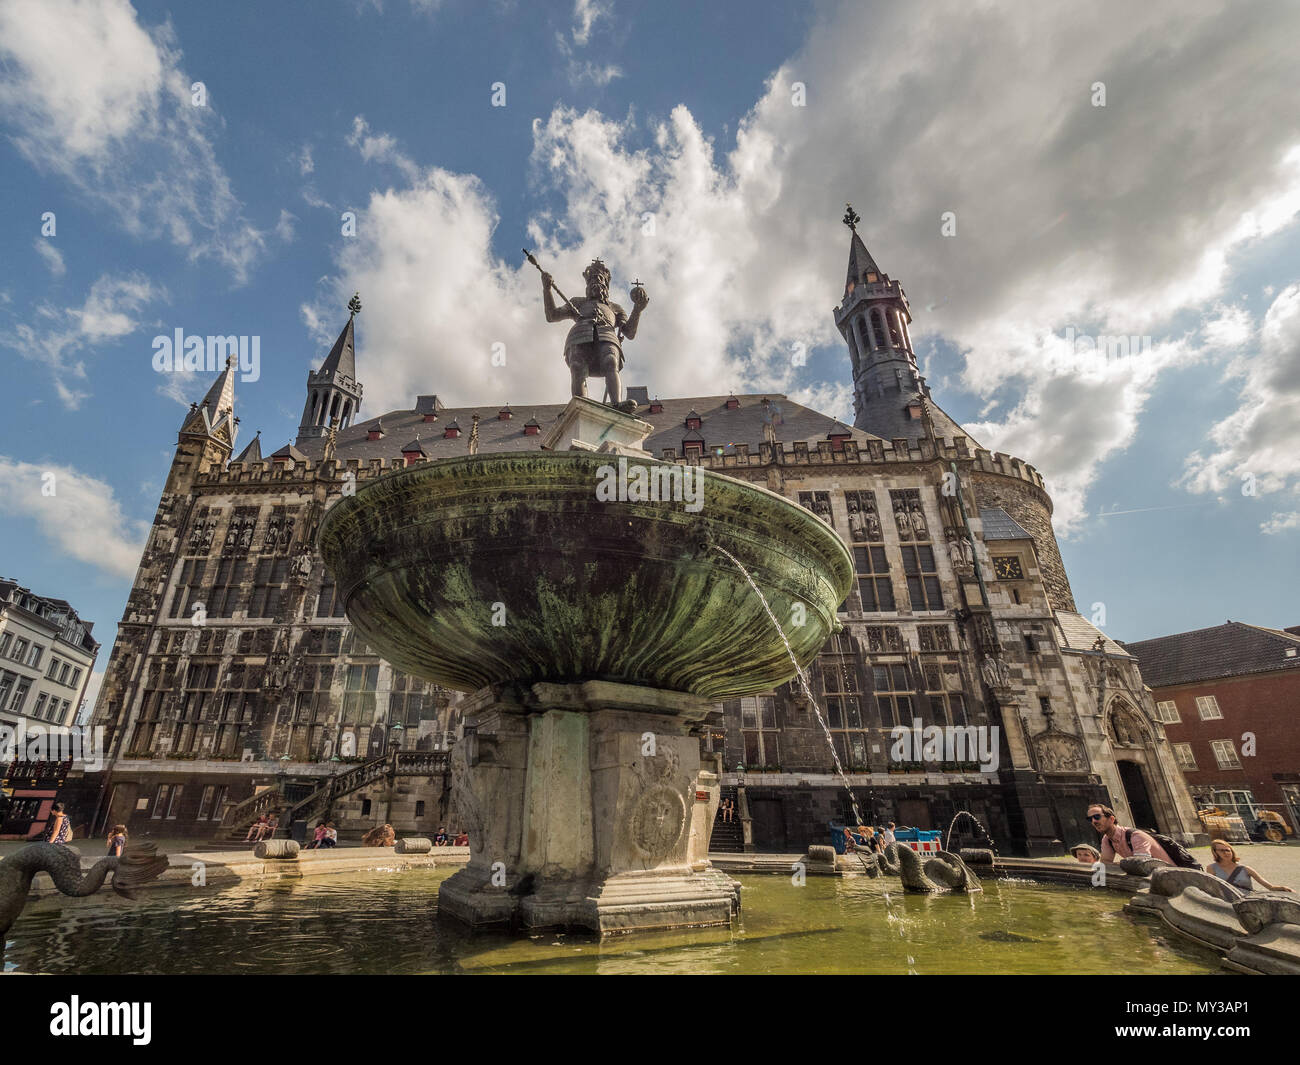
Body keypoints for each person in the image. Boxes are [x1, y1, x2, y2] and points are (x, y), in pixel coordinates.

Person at [1088, 804, 1173, 865]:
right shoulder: (1107, 839)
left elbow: (1142, 864)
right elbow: (1105, 864)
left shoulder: (1136, 836)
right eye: (1089, 819)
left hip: (1172, 878)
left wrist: (1118, 864)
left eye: (1097, 817)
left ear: (1111, 819)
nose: (1093, 821)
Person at [1206, 840, 1293, 893]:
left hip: (1247, 902)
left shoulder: (1245, 869)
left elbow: (1270, 887)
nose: (1226, 853)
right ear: (1215, 852)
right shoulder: (1211, 868)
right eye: (1221, 850)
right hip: (1225, 903)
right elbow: (1211, 889)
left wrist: (1283, 888)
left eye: (1228, 850)